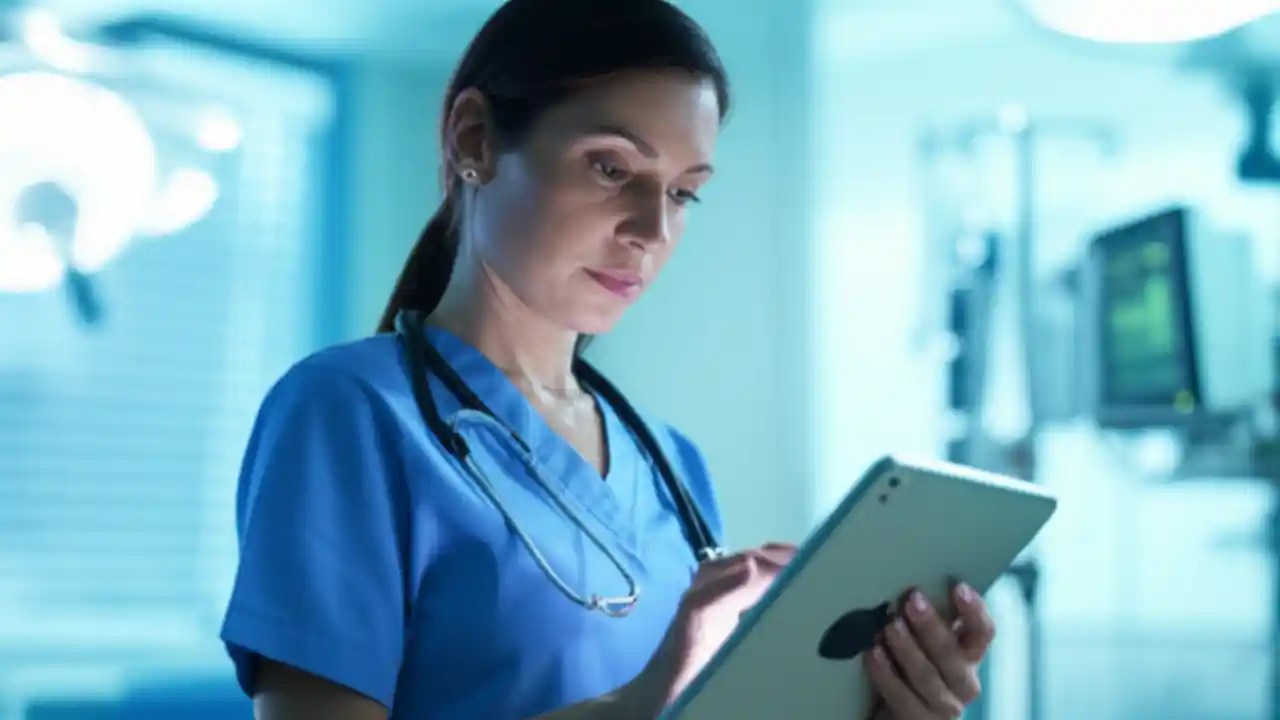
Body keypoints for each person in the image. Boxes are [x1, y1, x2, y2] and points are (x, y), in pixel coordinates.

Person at [218, 1, 997, 718]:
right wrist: (631, 710)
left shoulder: (672, 467)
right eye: (612, 168)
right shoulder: (348, 415)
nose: (652, 228)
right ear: (474, 140)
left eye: (684, 193)